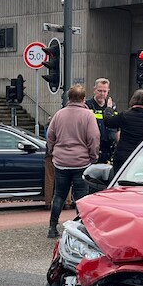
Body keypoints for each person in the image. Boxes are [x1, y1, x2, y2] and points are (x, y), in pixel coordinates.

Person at [44, 84, 100, 238]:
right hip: (81, 162)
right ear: (83, 98)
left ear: (69, 98)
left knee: (59, 195)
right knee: (81, 197)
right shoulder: (88, 115)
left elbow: (50, 136)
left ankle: (52, 227)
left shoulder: (59, 114)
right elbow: (94, 138)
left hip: (61, 162)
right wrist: (93, 156)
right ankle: (80, 229)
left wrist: (52, 150)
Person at [104, 89, 143, 177]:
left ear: (133, 100)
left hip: (123, 158)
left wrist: (108, 109)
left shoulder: (125, 115)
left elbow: (108, 122)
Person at [87, 78, 117, 164]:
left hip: (108, 150)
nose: (102, 94)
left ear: (108, 91)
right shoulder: (88, 105)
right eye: (99, 91)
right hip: (92, 150)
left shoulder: (112, 106)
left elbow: (117, 128)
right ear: (94, 90)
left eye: (105, 91)